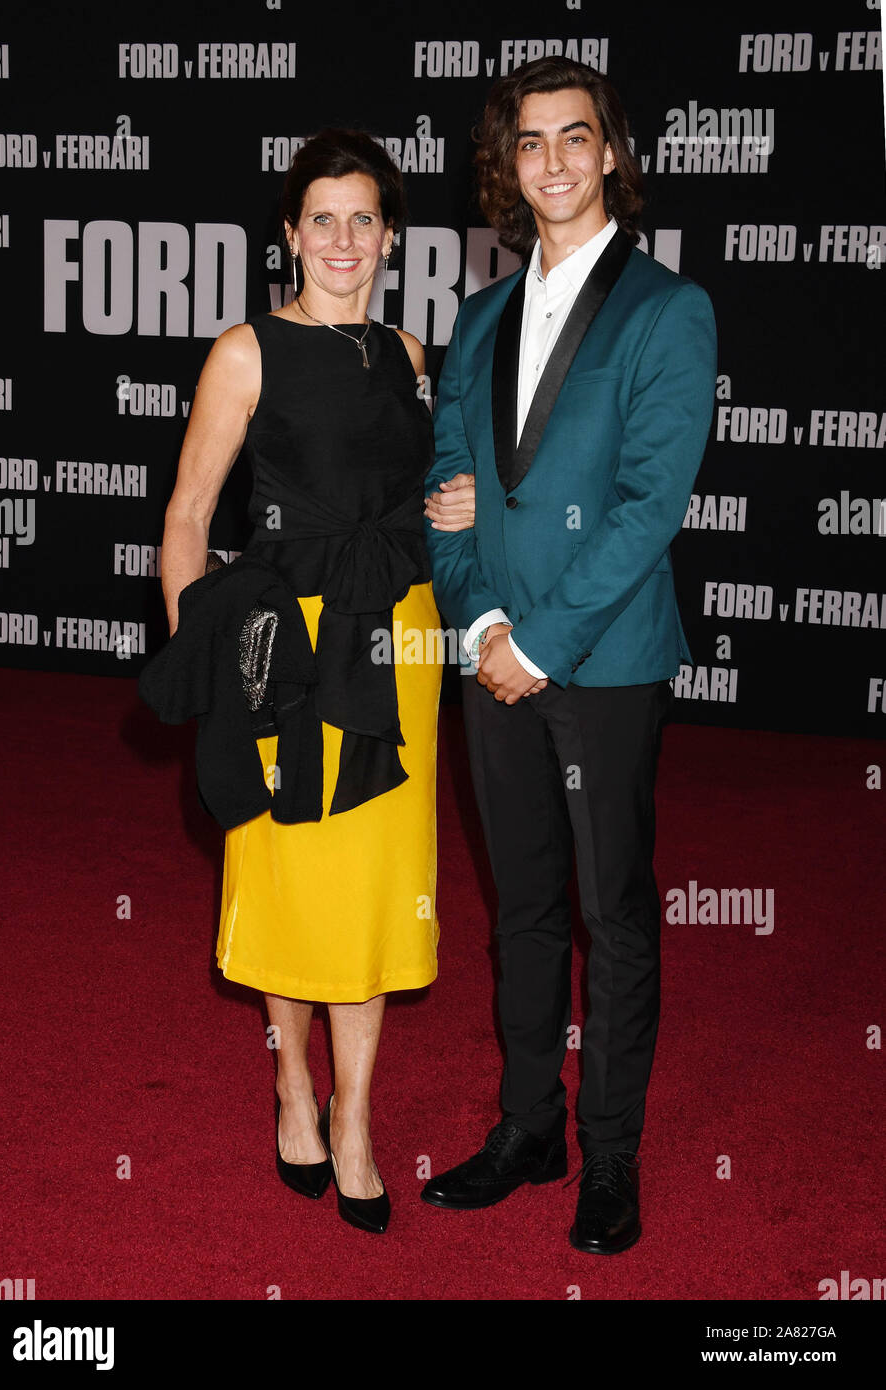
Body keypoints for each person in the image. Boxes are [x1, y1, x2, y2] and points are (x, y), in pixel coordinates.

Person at [139, 128, 475, 1235]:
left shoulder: (413, 355)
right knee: (291, 868)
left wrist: (454, 511)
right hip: (284, 644)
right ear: (288, 235)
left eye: (362, 218)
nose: (342, 238)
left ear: (389, 235)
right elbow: (188, 518)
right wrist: (204, 662)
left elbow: (422, 495)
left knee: (374, 881)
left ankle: (357, 1120)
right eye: (319, 218)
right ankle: (292, 1084)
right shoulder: (246, 352)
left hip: (399, 639)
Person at [420, 57, 717, 1253]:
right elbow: (447, 488)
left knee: (613, 912)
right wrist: (485, 626)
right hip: (489, 660)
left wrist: (537, 641)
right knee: (522, 909)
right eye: (529, 143)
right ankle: (526, 1130)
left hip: (598, 664)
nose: (552, 162)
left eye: (573, 138)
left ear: (609, 154)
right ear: (509, 164)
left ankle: (611, 1158)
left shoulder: (666, 311)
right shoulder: (477, 316)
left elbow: (649, 508)